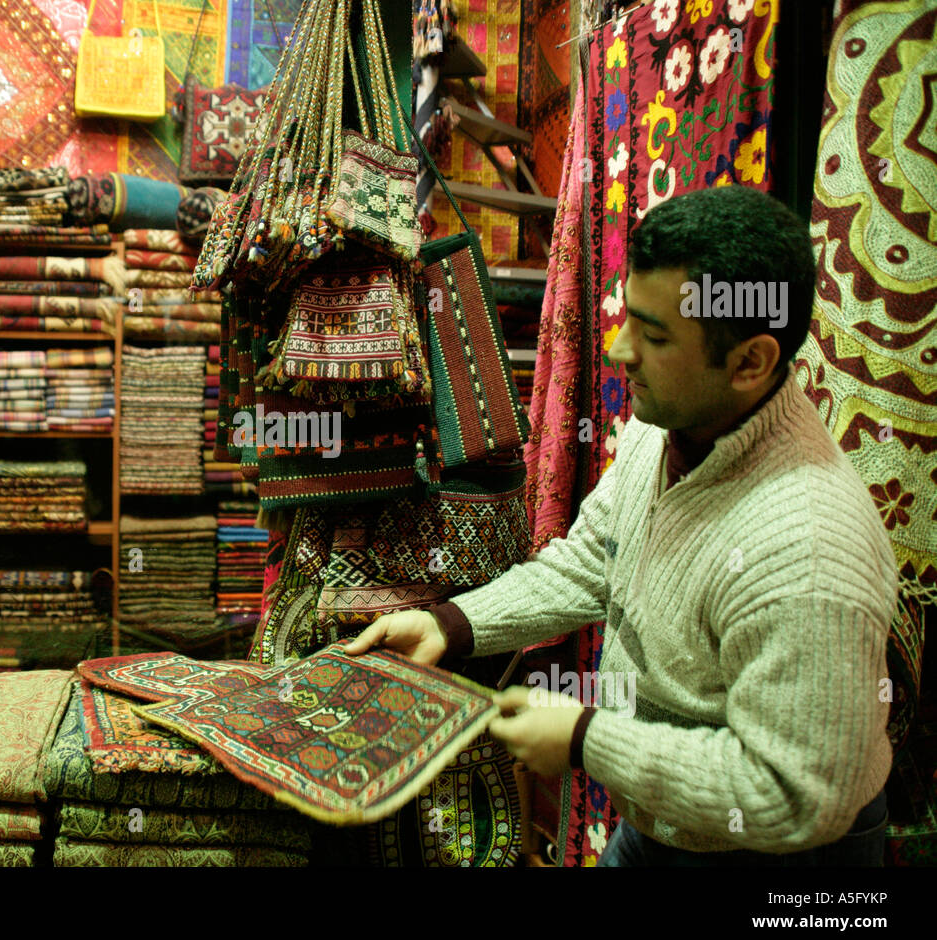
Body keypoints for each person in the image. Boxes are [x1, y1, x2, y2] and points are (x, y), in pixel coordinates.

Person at [345, 186, 896, 865]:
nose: (616, 349)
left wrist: (585, 739)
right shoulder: (666, 426)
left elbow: (791, 794)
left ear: (751, 362)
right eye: (629, 317)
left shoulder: (808, 549)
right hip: (669, 824)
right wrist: (451, 625)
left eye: (654, 335)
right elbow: (596, 559)